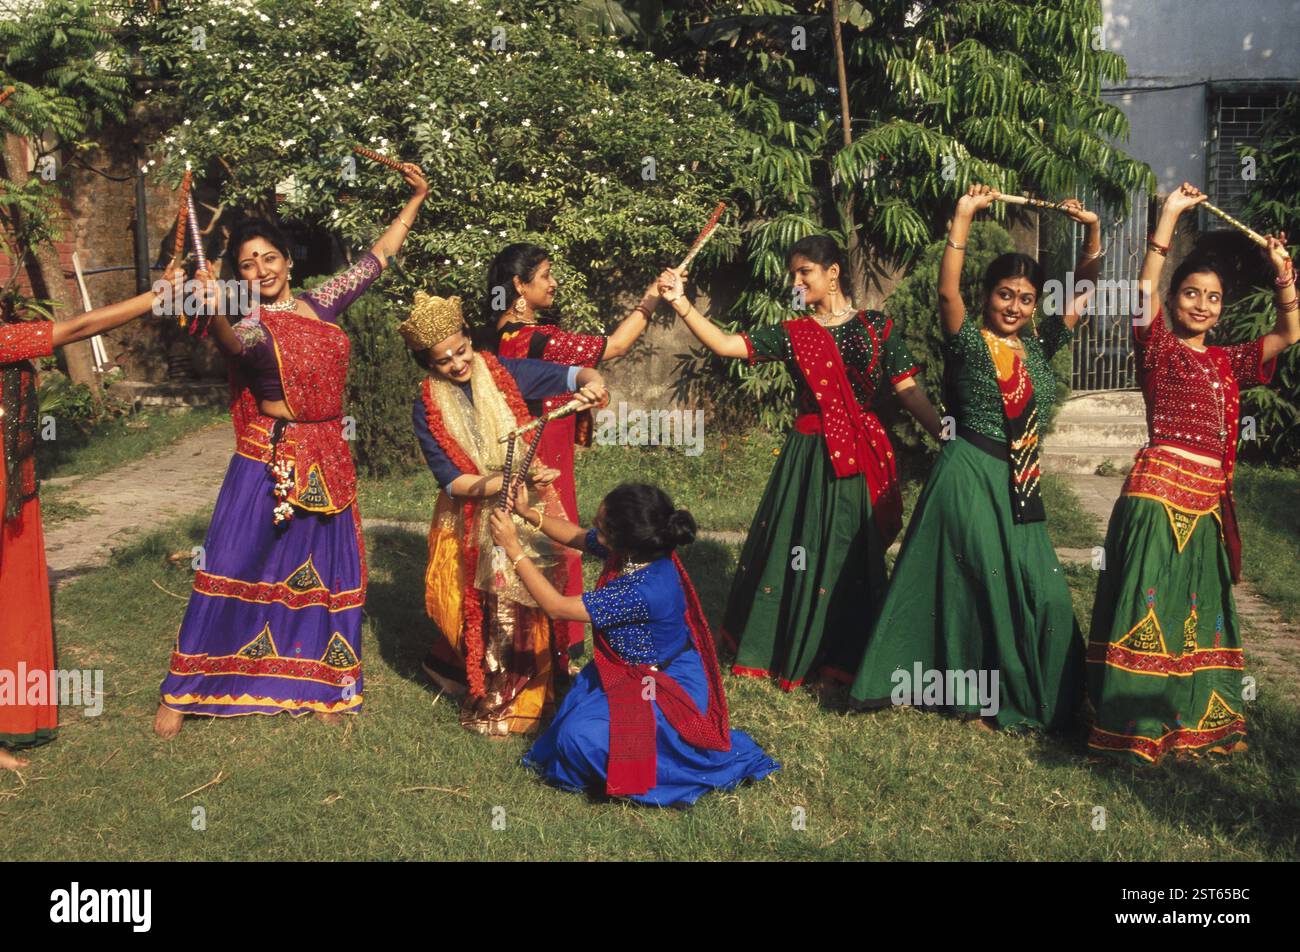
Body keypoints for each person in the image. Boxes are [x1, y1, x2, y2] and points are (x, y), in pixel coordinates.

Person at [154, 162, 428, 738]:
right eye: (247, 264)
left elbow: (375, 259)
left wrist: (416, 199)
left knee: (318, 571)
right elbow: (232, 346)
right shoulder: (250, 324)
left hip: (327, 454)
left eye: (269, 257)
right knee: (233, 566)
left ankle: (311, 677)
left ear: (288, 260)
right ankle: (185, 689)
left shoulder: (319, 304)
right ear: (240, 277)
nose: (261, 269)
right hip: (270, 458)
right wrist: (215, 308)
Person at [849, 185, 1102, 731]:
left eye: (1026, 298)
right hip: (967, 473)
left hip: (1020, 484)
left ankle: (1046, 689)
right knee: (979, 583)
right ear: (987, 296)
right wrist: (962, 216)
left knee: (1047, 593)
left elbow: (1083, 294)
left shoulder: (1039, 346)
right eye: (1005, 294)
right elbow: (945, 294)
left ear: (1036, 305)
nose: (1014, 306)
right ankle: (975, 694)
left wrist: (1093, 232)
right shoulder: (966, 339)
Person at [657, 235, 942, 691]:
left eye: (804, 271)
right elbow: (728, 346)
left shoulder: (875, 327)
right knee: (803, 547)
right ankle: (792, 647)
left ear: (833, 273)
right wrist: (681, 302)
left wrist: (944, 435)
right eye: (794, 273)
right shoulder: (794, 334)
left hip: (859, 452)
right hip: (809, 456)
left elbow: (908, 391)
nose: (796, 281)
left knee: (852, 547)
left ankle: (847, 655)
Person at [1086, 183, 1298, 764]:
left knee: (1195, 612)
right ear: (1175, 299)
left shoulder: (1227, 362)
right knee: (1149, 607)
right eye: (1191, 294)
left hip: (1207, 503)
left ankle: (1192, 726)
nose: (1202, 305)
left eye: (1212, 297)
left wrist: (1283, 275)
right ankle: (1132, 727)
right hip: (1157, 496)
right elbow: (1140, 292)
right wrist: (1169, 218)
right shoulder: (1158, 347)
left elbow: (1290, 332)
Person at [489, 481, 779, 806]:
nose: (593, 532)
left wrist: (513, 549)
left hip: (663, 685)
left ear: (622, 542)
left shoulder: (640, 591)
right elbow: (576, 536)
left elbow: (556, 606)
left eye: (600, 528)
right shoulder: (636, 552)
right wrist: (528, 514)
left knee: (577, 738)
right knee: (574, 728)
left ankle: (661, 770)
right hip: (630, 669)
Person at [403, 291, 609, 736]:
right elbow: (452, 481)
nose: (457, 364)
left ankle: (528, 682)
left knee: (532, 592)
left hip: (524, 504)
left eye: (461, 351)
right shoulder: (427, 406)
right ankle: (507, 698)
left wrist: (592, 382)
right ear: (428, 365)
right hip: (472, 510)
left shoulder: (503, 373)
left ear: (470, 341)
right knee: (494, 606)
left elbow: (572, 374)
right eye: (443, 361)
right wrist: (510, 482)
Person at [2, 276, 177, 769]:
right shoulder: (4, 339)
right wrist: (154, 298)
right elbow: (82, 325)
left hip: (17, 488)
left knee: (13, 603)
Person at [489, 242, 660, 668]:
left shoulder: (495, 333)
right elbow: (615, 346)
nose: (554, 283)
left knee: (513, 537)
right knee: (555, 538)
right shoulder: (541, 340)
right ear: (519, 285)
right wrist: (652, 300)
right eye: (545, 274)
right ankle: (554, 647)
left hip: (514, 448)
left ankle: (511, 641)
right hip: (543, 451)